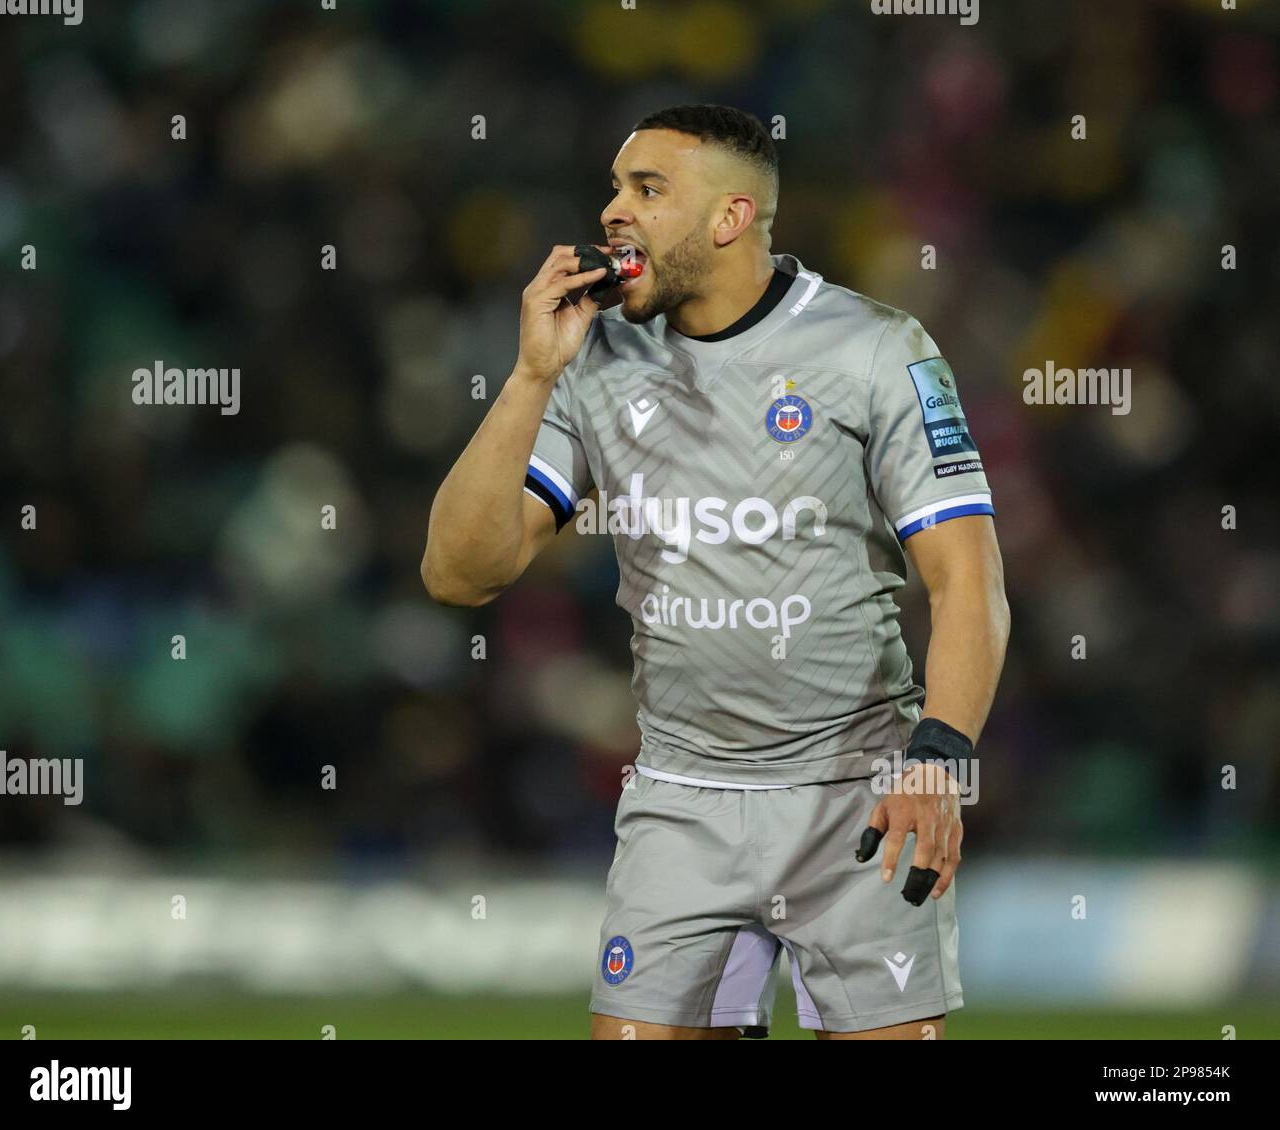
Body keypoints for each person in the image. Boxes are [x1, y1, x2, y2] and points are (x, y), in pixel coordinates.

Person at [423, 104, 1010, 1040]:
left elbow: (966, 579)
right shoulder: (596, 359)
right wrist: (532, 374)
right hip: (679, 798)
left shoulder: (875, 350)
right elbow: (460, 573)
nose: (614, 211)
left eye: (648, 190)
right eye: (616, 187)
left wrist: (938, 758)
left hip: (855, 794)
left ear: (730, 218)